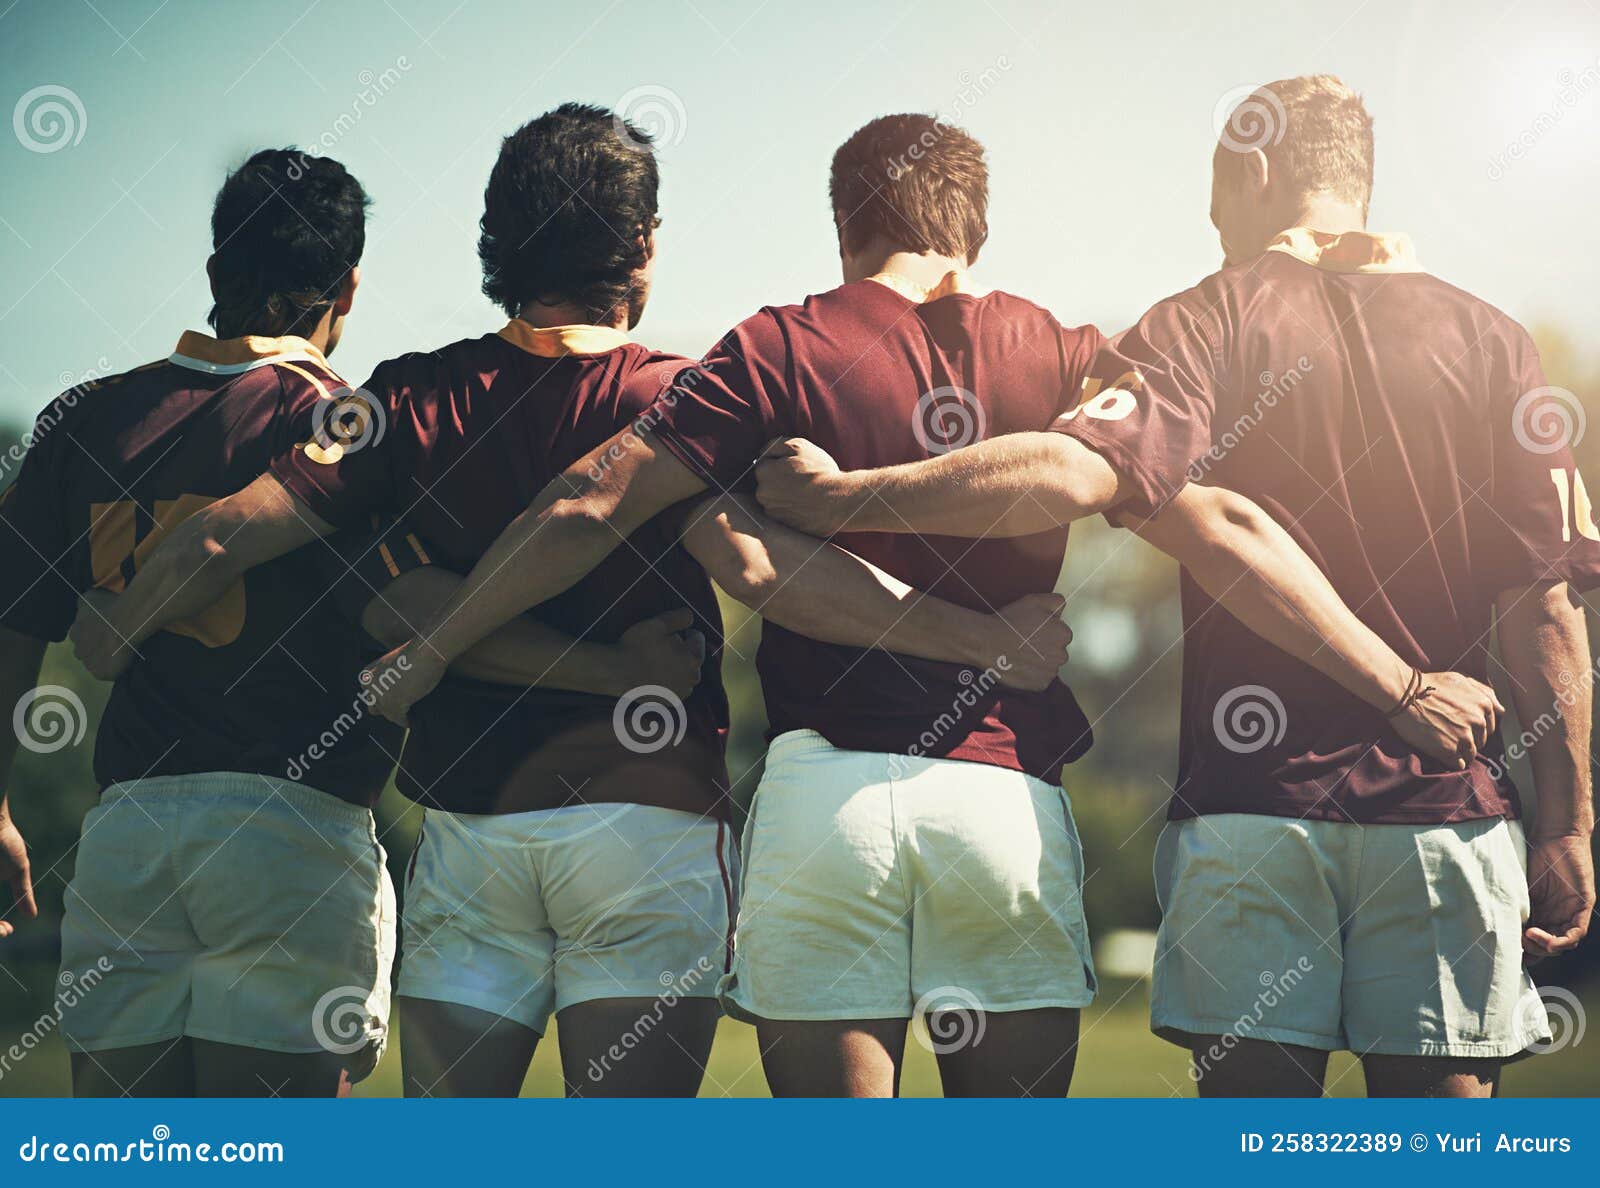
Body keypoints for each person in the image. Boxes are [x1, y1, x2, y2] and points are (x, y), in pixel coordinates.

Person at [290, 113, 1498, 1098]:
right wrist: (1394, 679)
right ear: (972, 229)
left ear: (844, 222)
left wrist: (439, 643)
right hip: (1003, 800)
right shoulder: (1071, 351)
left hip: (826, 799)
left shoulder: (770, 348)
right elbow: (1224, 525)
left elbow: (592, 507)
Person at [71, 105, 1074, 1097]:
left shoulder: (406, 395)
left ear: (495, 239)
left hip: (469, 826)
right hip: (646, 821)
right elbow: (763, 572)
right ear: (641, 246)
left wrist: (114, 628)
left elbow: (238, 537)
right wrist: (978, 637)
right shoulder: (678, 396)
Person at [752, 76, 1596, 1097]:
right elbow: (1546, 611)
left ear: (1249, 172)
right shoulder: (1495, 342)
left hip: (1253, 811)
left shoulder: (1199, 322)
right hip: (1442, 812)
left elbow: (1074, 472)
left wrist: (842, 497)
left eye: (1212, 190)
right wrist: (1564, 824)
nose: (1208, 218)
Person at [0, 150, 401, 1097]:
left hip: (129, 830)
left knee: (124, 1154)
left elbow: (11, 621)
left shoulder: (82, 416)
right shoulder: (341, 420)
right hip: (288, 828)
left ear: (217, 270)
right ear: (347, 286)